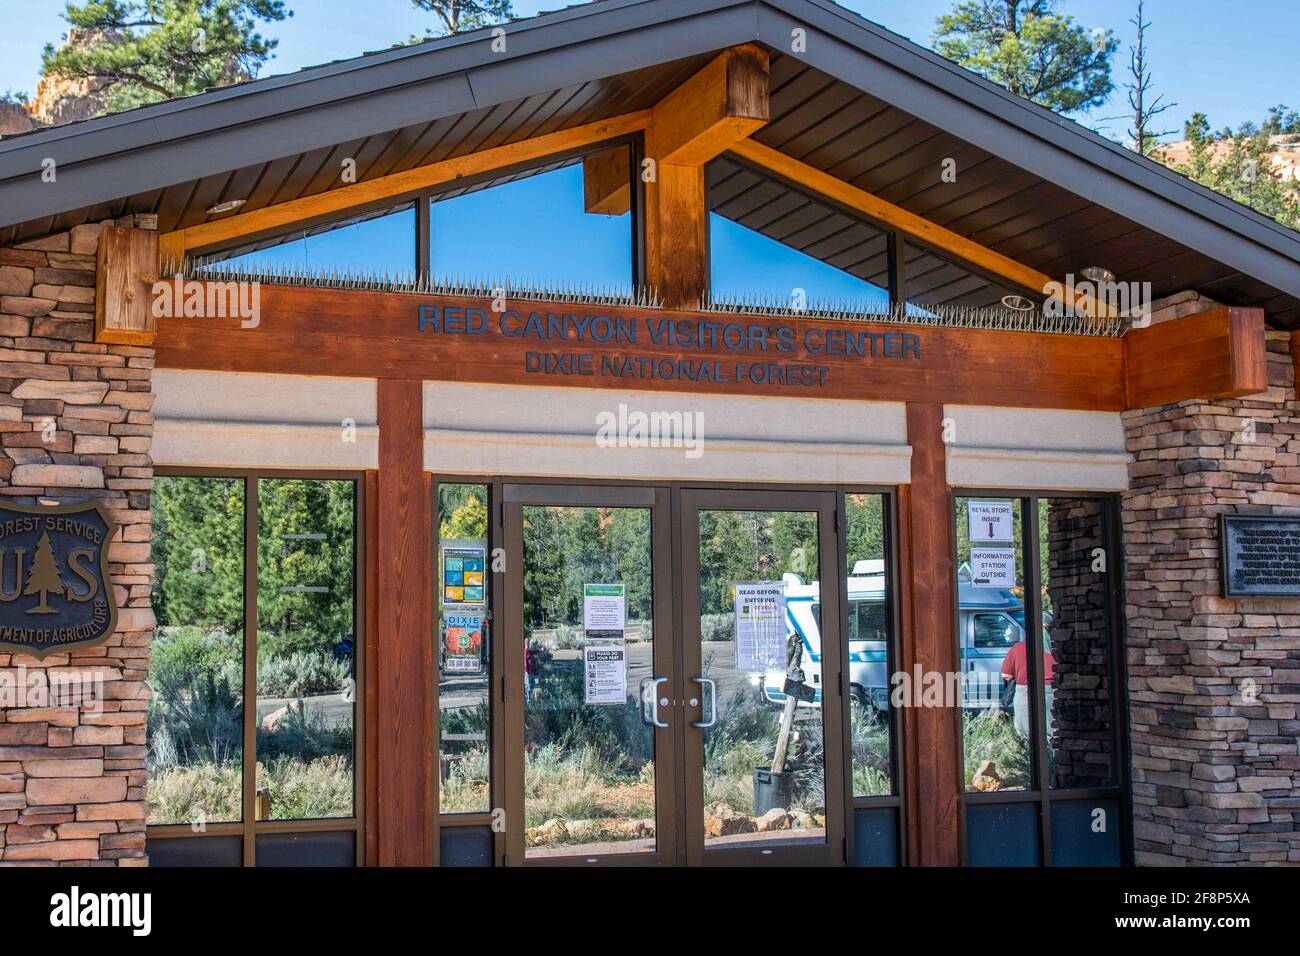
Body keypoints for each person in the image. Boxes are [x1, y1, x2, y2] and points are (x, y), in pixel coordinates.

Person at [1000, 639, 1056, 739]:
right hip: (1051, 691)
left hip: (1024, 693)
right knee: (1053, 733)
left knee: (1026, 734)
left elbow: (1006, 675)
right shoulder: (1057, 647)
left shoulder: (1018, 647)